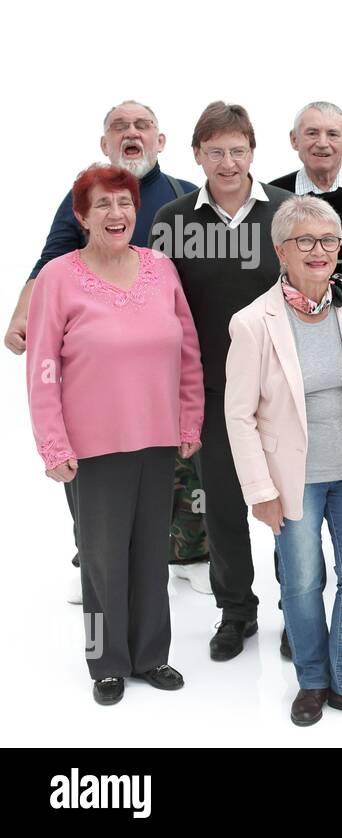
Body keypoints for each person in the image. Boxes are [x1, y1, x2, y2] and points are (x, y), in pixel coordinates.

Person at [7, 101, 206, 602]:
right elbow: (49, 259)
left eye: (143, 125)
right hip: (103, 362)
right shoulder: (85, 197)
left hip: (165, 352)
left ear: (161, 140)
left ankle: (188, 556)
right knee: (98, 474)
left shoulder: (185, 196)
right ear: (106, 142)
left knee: (179, 471)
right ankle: (95, 559)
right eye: (120, 126)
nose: (132, 132)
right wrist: (20, 314)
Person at [226, 196, 342, 726]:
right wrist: (260, 489)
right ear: (281, 249)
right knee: (302, 584)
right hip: (293, 482)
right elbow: (238, 416)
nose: (320, 250)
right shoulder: (253, 322)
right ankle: (311, 680)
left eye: (329, 240)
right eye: (305, 240)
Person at [26, 164, 202, 705]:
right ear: (81, 216)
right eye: (102, 205)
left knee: (152, 554)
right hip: (91, 448)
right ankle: (105, 661)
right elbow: (43, 366)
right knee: (102, 562)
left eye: (124, 204)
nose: (116, 214)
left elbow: (187, 350)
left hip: (156, 439)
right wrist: (53, 445)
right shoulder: (58, 277)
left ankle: (152, 655)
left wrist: (189, 419)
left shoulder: (160, 268)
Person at [149, 101, 294, 661]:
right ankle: (236, 612)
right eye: (216, 153)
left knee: (290, 506)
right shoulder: (175, 220)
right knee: (224, 507)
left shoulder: (285, 210)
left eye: (238, 150)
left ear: (253, 152)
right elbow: (163, 307)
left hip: (281, 388)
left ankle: (298, 611)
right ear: (197, 155)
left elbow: (311, 294)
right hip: (211, 389)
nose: (228, 162)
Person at [269, 101, 342, 275]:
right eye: (312, 133)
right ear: (294, 140)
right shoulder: (273, 195)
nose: (322, 143)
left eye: (332, 134)